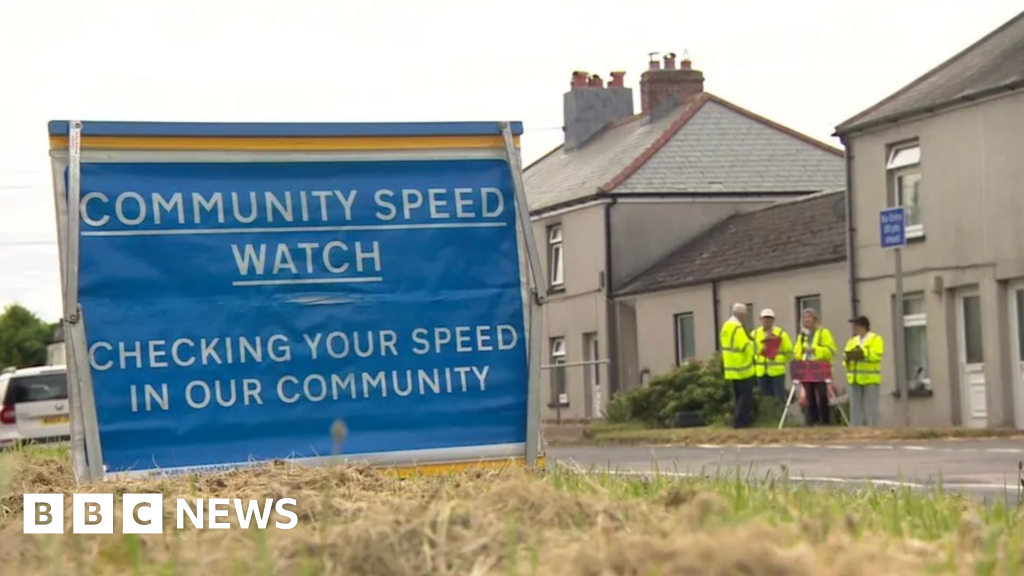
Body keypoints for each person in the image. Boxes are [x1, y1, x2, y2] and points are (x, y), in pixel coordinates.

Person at [792, 308, 836, 426]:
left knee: (821, 394)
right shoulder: (801, 335)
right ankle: (812, 420)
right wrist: (800, 354)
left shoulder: (823, 333)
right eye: (804, 317)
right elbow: (796, 351)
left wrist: (815, 350)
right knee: (809, 394)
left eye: (809, 317)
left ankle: (824, 420)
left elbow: (831, 350)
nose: (806, 320)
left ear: (815, 319)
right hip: (806, 367)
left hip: (819, 366)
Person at [720, 302, 756, 428]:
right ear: (740, 314)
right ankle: (741, 421)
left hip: (731, 366)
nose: (746, 317)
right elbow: (745, 345)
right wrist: (758, 347)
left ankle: (739, 420)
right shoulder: (737, 327)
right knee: (745, 395)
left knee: (738, 395)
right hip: (741, 366)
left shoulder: (726, 326)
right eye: (745, 314)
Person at [843, 315, 884, 426]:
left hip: (870, 378)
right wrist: (848, 359)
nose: (854, 328)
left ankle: (874, 427)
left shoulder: (875, 339)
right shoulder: (852, 340)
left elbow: (876, 356)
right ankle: (856, 428)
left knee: (872, 406)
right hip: (854, 378)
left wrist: (862, 354)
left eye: (856, 325)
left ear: (864, 327)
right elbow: (845, 356)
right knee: (855, 407)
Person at [751, 309, 793, 400]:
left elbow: (790, 352)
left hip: (777, 372)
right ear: (760, 320)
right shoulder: (754, 334)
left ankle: (779, 414)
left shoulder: (781, 333)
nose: (767, 321)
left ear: (773, 320)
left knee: (779, 398)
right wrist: (763, 345)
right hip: (761, 372)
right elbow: (750, 350)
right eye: (765, 318)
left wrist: (778, 355)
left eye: (770, 319)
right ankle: (769, 414)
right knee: (765, 399)